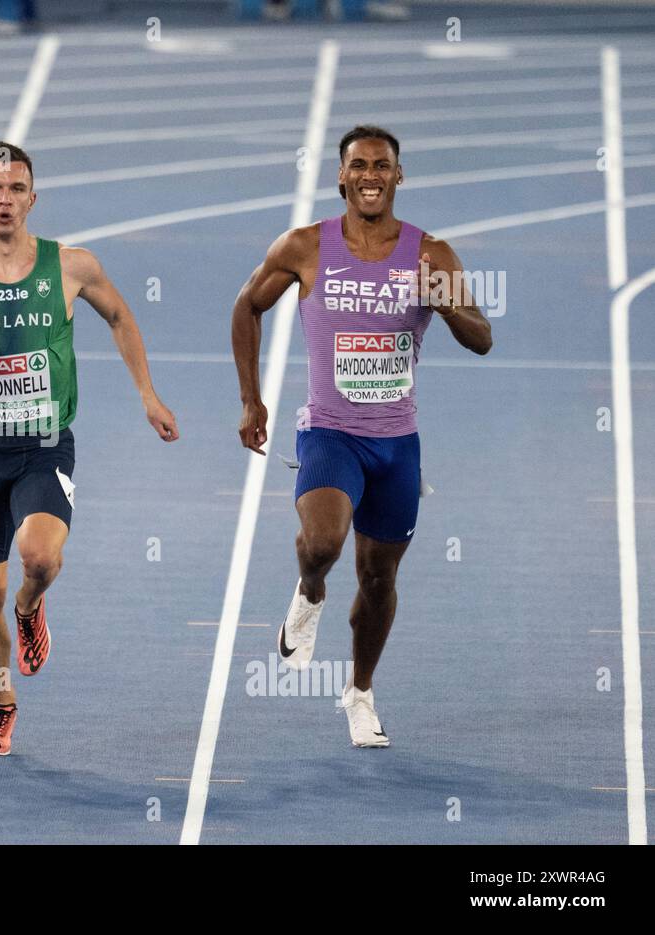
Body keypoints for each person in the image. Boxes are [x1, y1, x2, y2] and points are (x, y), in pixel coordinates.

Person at [0, 142, 179, 756]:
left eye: (15, 189)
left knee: (35, 559)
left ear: (33, 198)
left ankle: (32, 608)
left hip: (43, 446)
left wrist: (148, 394)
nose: (4, 200)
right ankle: (2, 702)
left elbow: (119, 316)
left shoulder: (71, 266)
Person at [231, 124, 492, 747]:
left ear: (399, 177)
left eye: (382, 165)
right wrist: (251, 399)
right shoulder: (304, 247)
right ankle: (310, 589)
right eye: (359, 165)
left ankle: (360, 693)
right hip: (330, 431)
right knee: (323, 542)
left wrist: (447, 304)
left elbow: (482, 336)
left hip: (397, 444)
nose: (371, 174)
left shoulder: (432, 254)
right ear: (341, 176)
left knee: (378, 580)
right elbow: (247, 306)